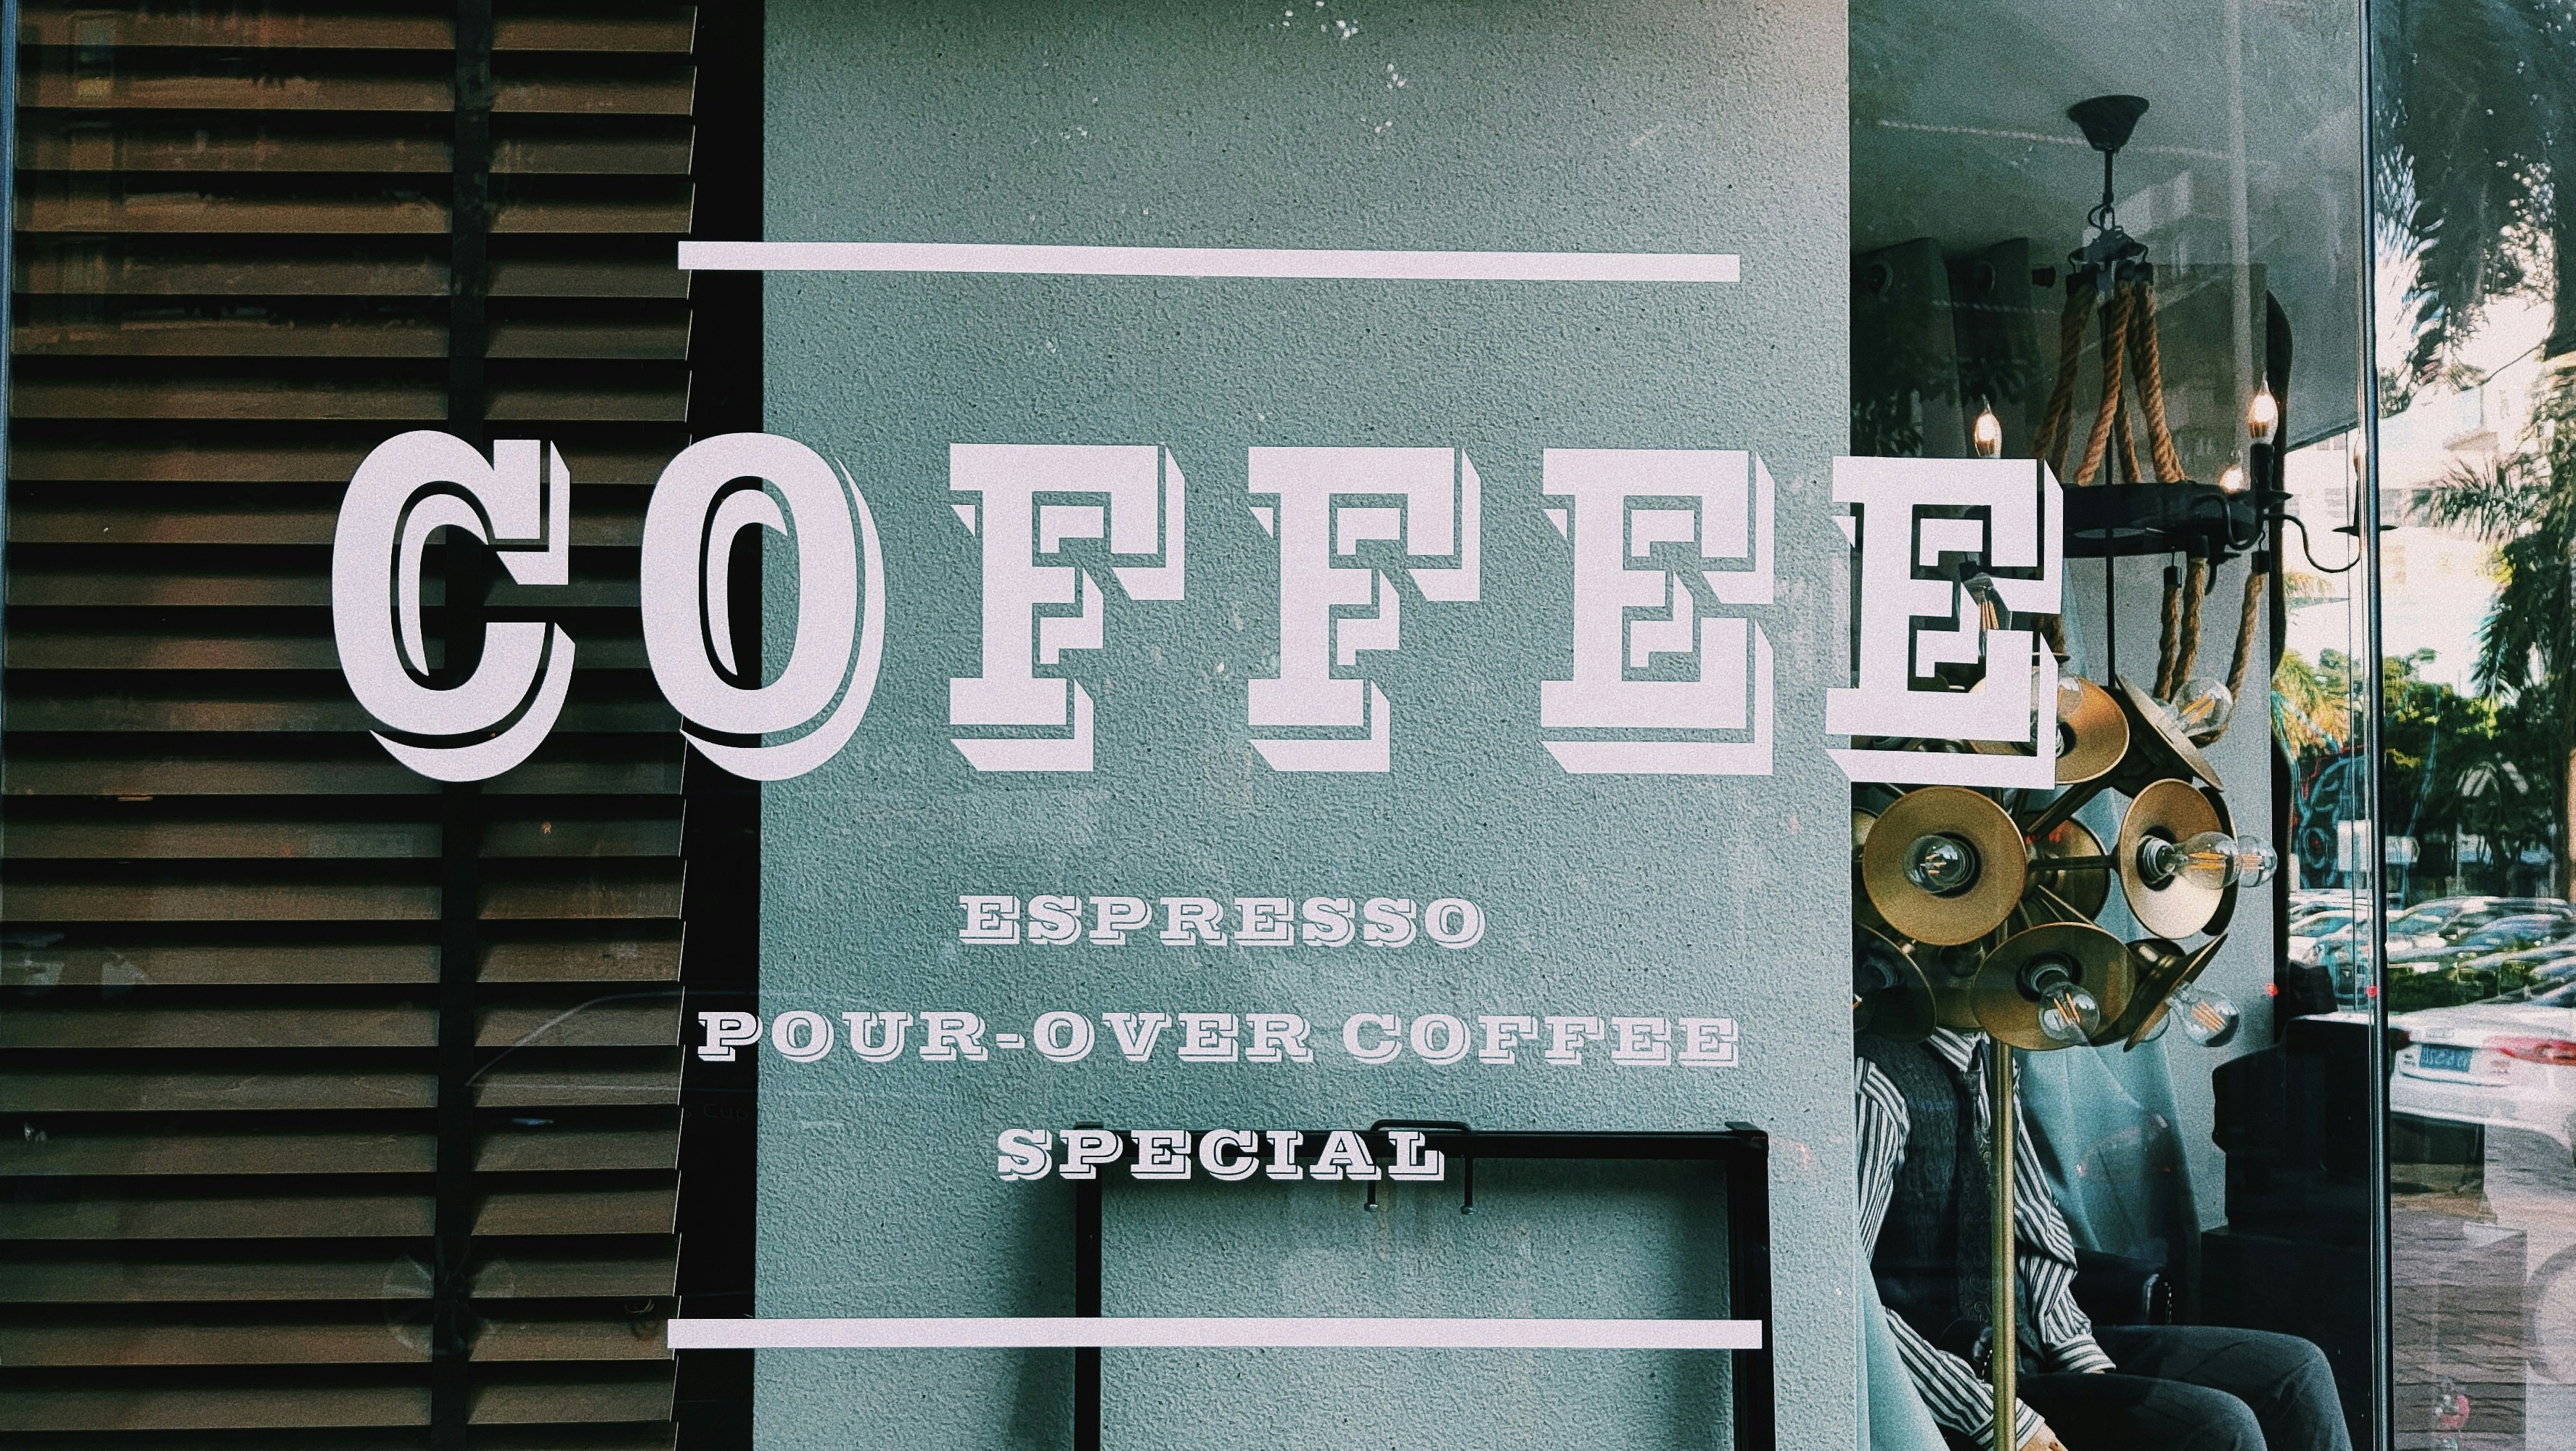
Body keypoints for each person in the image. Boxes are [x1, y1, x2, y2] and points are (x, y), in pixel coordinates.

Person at [1858, 1003, 2351, 1451]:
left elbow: (2035, 1225)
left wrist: (2081, 1356)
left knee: (2298, 1372)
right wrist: (1992, 1416)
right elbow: (1854, 1306)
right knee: (2220, 1425)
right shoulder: (1876, 1082)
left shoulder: (1992, 1056)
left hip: (2033, 1349)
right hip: (1966, 1374)